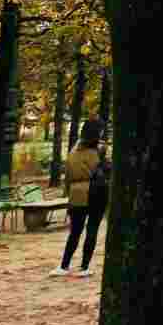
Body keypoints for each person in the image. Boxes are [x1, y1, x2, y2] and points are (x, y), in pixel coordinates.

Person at [56, 117, 109, 277]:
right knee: (92, 230)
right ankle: (84, 267)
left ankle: (64, 266)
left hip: (76, 194)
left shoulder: (74, 150)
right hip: (96, 192)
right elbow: (106, 169)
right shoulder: (100, 150)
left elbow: (68, 175)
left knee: (75, 232)